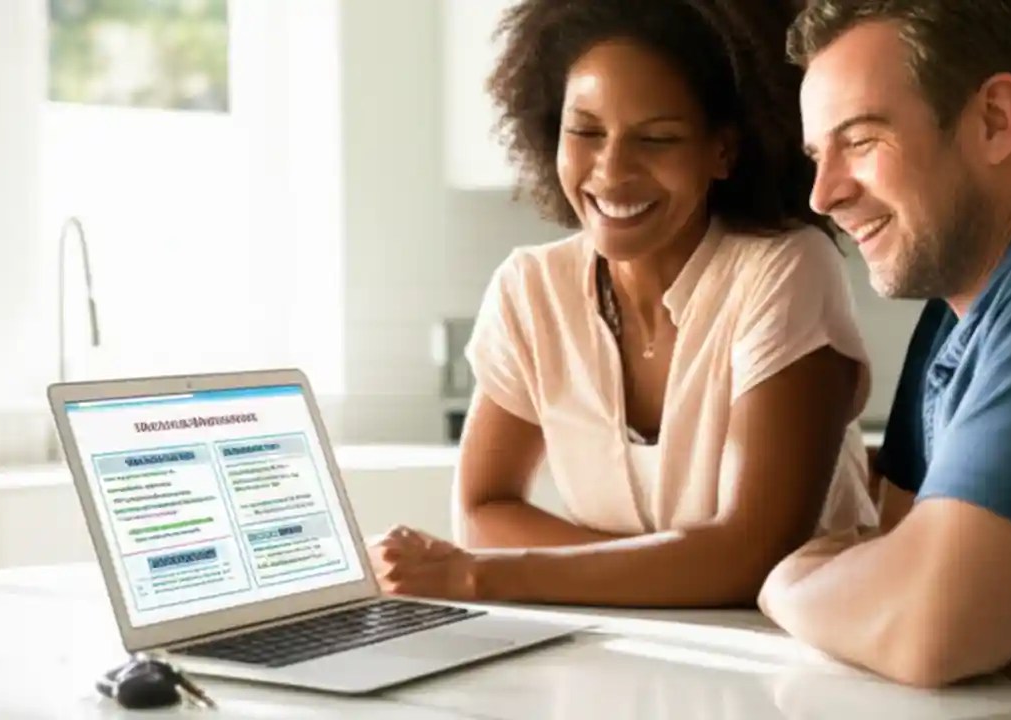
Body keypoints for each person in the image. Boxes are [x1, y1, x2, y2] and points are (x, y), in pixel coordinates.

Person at [365, 0, 877, 609]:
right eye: (585, 132)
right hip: (625, 644)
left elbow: (751, 555)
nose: (611, 172)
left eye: (656, 139)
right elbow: (482, 513)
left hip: (796, 652)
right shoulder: (531, 290)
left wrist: (477, 577)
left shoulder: (785, 270)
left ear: (723, 151)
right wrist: (675, 567)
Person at [756, 1, 1011, 718]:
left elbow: (923, 623)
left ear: (995, 119)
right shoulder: (954, 309)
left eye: (861, 140)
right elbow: (901, 557)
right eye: (817, 156)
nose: (824, 193)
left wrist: (786, 581)